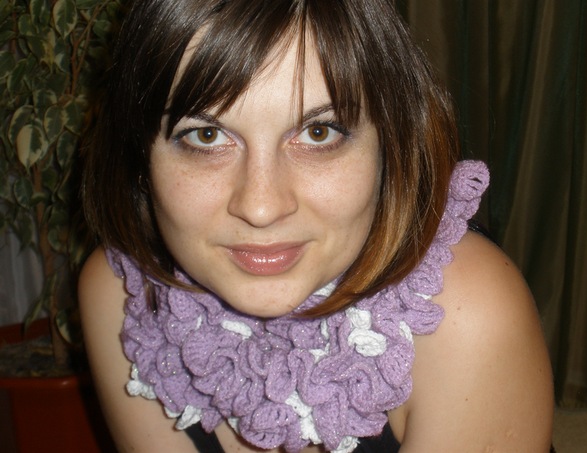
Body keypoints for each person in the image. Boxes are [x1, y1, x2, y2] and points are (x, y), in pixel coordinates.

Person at [78, 0, 554, 452]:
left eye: (318, 132)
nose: (261, 207)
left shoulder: (465, 317)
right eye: (206, 136)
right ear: (140, 158)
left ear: (391, 142)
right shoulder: (124, 302)